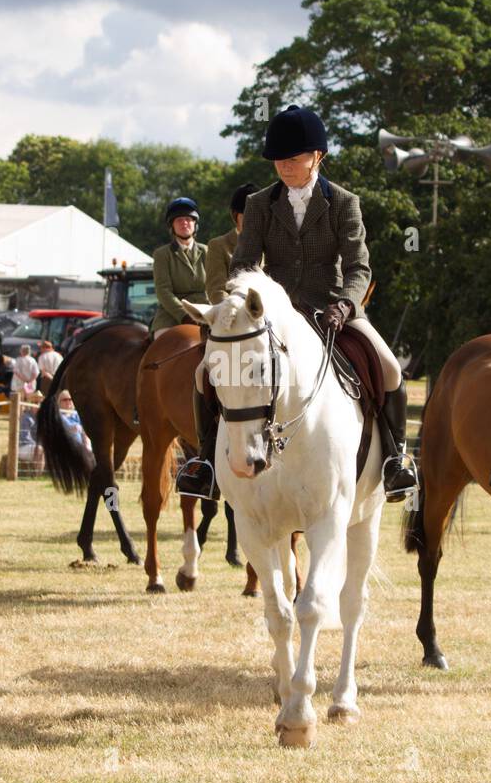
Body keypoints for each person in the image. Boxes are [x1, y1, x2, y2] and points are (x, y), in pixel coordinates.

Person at [177, 104, 417, 502]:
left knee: (389, 368)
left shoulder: (344, 203)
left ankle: (395, 460)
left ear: (317, 156)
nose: (284, 167)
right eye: (278, 161)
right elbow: (243, 264)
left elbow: (360, 268)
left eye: (293, 159)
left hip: (332, 311)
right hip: (273, 314)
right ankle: (205, 463)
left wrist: (346, 305)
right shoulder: (259, 204)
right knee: (206, 371)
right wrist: (242, 301)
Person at [150, 197, 209, 337]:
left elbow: (215, 285)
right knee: (163, 341)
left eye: (188, 219)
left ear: (195, 224)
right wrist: (185, 315)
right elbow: (163, 291)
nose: (184, 223)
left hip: (206, 312)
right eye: (179, 220)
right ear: (172, 227)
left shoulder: (208, 251)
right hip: (172, 316)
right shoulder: (161, 254)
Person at [205, 183, 259, 305]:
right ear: (235, 216)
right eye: (247, 216)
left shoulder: (272, 243)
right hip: (234, 312)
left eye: (257, 216)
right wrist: (235, 310)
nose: (252, 221)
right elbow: (216, 290)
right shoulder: (218, 246)